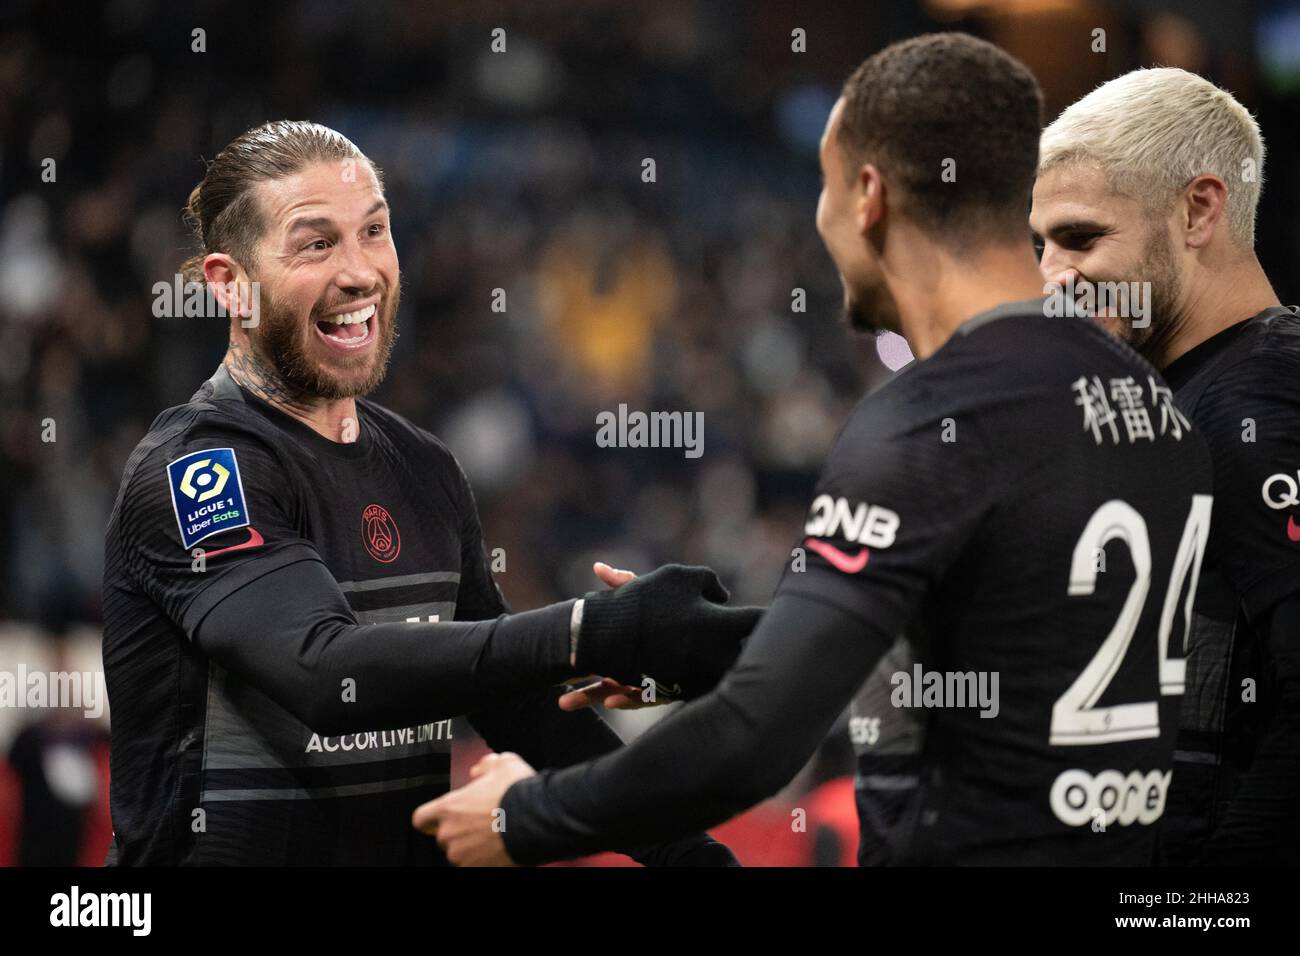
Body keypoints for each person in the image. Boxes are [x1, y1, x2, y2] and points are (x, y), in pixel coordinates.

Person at [416, 33, 1213, 866]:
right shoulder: (1148, 400)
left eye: (824, 191)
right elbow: (993, 647)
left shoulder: (932, 417)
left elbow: (752, 741)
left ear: (866, 195)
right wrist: (709, 647)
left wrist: (525, 815)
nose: (823, 226)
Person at [101, 120, 753, 865]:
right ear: (230, 283)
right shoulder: (198, 468)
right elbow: (323, 672)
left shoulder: (423, 466)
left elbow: (518, 708)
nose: (360, 272)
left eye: (374, 231)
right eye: (316, 243)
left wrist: (693, 856)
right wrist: (586, 631)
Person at [1032, 67, 1300, 865]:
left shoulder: (1258, 399)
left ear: (1198, 210)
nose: (1052, 277)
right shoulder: (1169, 406)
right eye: (1040, 245)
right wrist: (680, 652)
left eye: (1081, 239)